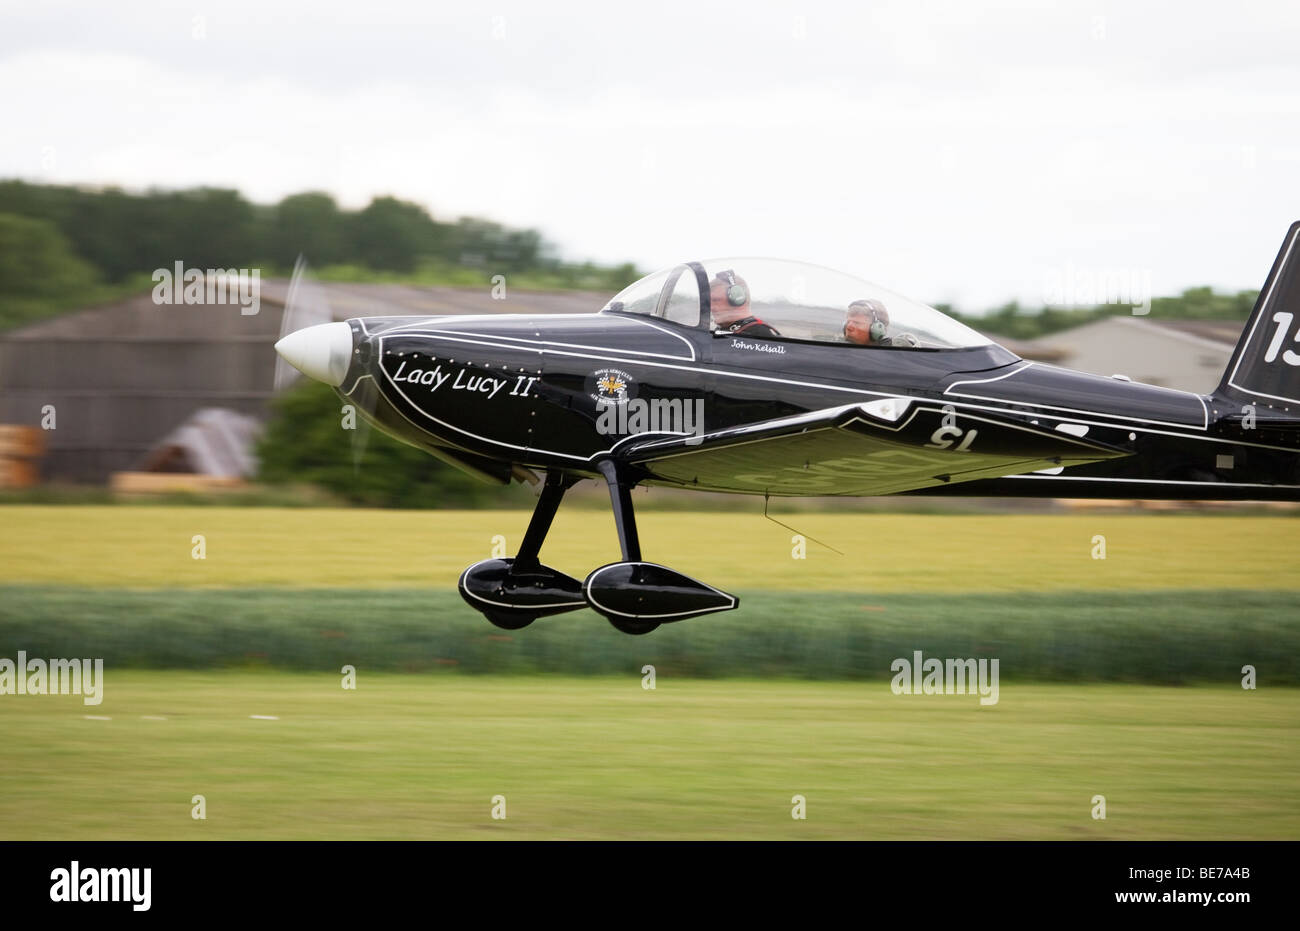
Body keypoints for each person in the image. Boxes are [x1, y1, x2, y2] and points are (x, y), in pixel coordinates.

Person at [709, 270, 779, 337]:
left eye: (716, 300)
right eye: (709, 301)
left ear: (738, 298)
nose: (711, 307)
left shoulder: (760, 335)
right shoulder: (724, 330)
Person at [844, 299, 916, 346]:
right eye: (848, 322)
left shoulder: (894, 353)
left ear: (877, 329)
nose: (848, 327)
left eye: (857, 323)